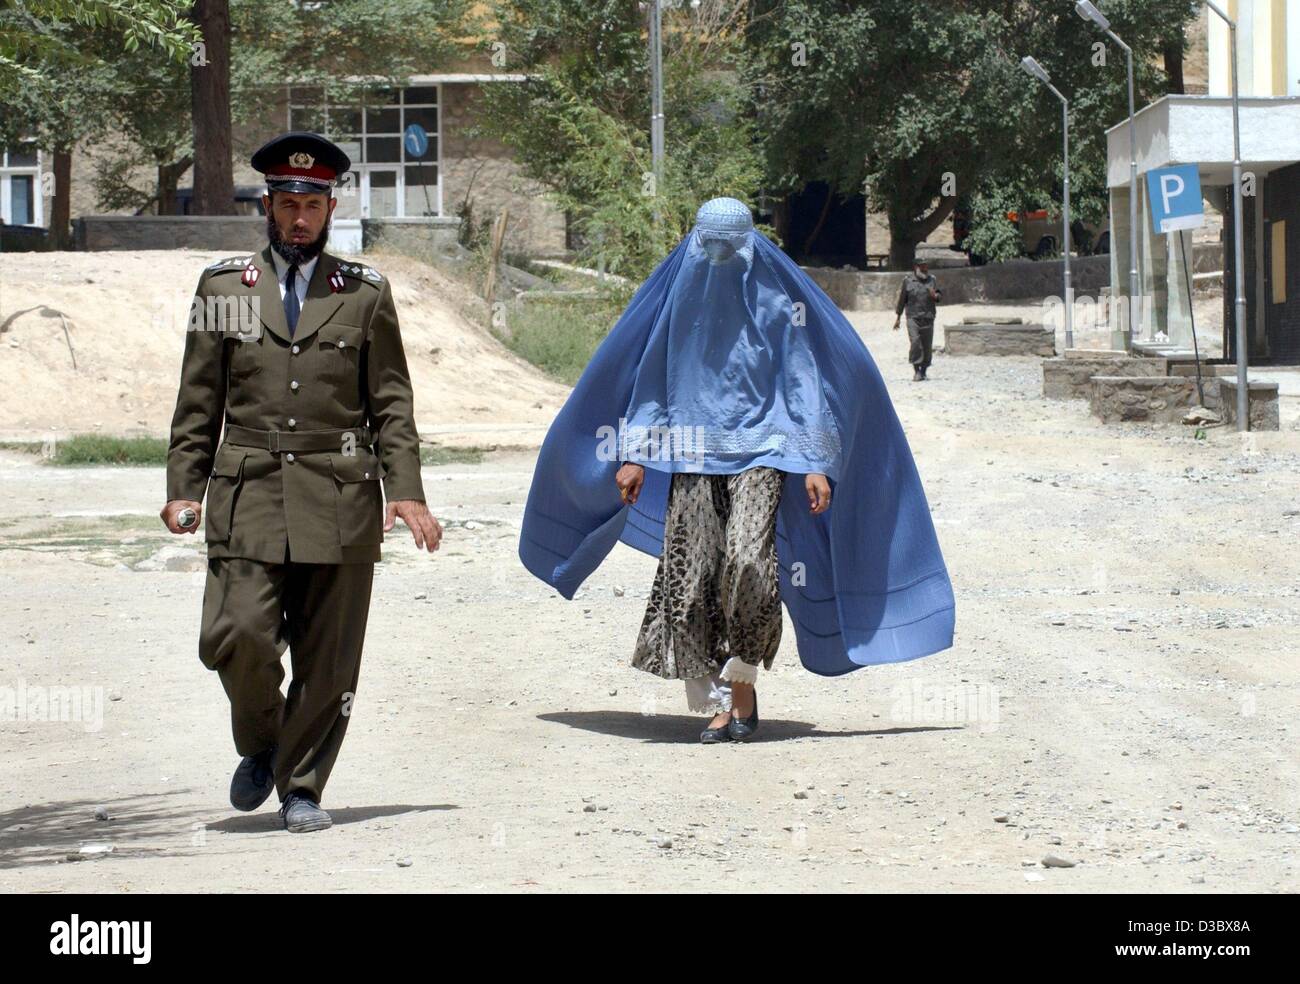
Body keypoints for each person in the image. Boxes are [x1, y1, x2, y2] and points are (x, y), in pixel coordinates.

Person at [519, 197, 956, 744]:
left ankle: (743, 681)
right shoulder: (680, 302)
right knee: (693, 572)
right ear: (696, 244)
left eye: (733, 249)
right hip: (692, 452)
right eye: (712, 248)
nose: (721, 260)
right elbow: (652, 379)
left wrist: (816, 463)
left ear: (750, 247)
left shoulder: (776, 302)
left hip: (764, 450)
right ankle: (721, 703)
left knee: (750, 561)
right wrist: (633, 454)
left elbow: (802, 381)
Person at [160, 131, 442, 833]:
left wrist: (405, 489)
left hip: (340, 493)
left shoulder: (366, 294)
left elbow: (392, 402)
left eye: (312, 206)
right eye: (287, 204)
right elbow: (200, 396)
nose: (299, 219)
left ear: (331, 207)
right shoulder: (223, 288)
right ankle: (262, 742)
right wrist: (184, 485)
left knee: (329, 657)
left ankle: (303, 787)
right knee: (238, 633)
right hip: (247, 487)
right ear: (268, 206)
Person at [893, 258, 942, 381]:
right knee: (915, 342)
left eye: (926, 266)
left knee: (927, 346)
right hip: (912, 318)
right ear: (916, 267)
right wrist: (898, 318)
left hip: (928, 317)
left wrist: (935, 296)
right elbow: (902, 300)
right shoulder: (908, 281)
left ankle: (924, 371)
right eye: (923, 266)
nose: (926, 268)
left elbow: (939, 295)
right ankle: (916, 371)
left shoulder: (932, 280)